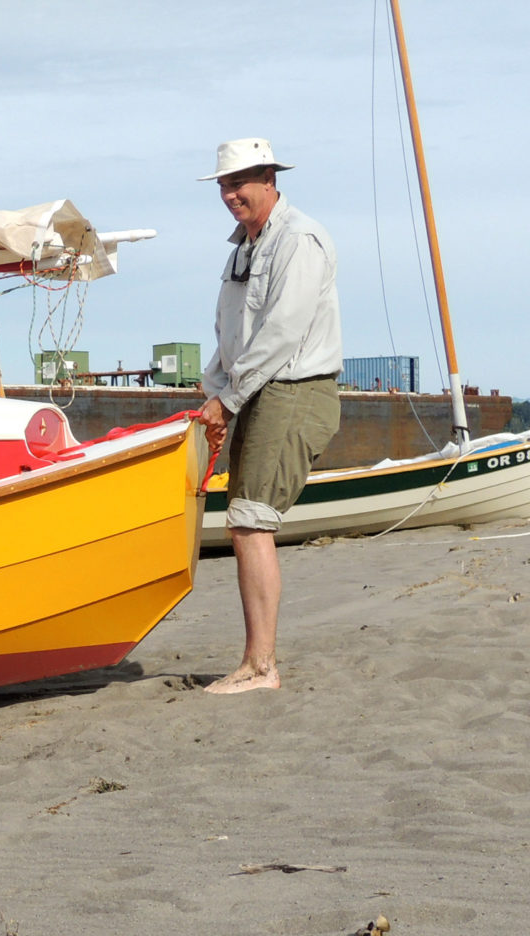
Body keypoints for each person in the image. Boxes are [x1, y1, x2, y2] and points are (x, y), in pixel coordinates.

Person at [195, 138, 342, 694]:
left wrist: (227, 401)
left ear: (268, 178)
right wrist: (213, 394)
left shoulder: (299, 239)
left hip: (295, 390)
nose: (230, 194)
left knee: (250, 520)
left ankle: (261, 668)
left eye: (239, 183)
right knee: (243, 520)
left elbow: (283, 331)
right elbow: (233, 335)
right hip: (259, 390)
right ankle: (257, 664)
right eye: (223, 186)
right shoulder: (242, 248)